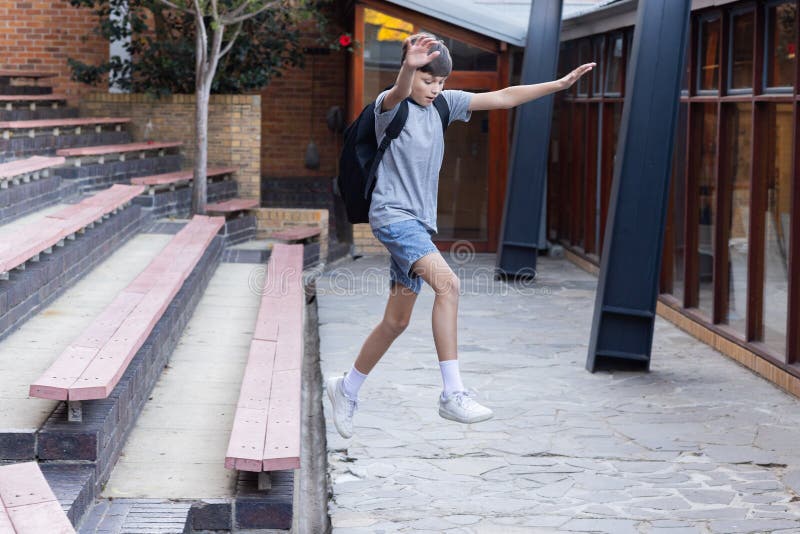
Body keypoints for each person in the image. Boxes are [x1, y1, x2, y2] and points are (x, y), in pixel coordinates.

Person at [327, 32, 595, 439]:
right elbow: (399, 90)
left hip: (417, 223)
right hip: (392, 216)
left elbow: (504, 97)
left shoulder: (444, 106)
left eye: (440, 83)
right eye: (427, 80)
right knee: (449, 285)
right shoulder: (389, 106)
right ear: (412, 72)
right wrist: (408, 68)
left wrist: (557, 85)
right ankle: (453, 393)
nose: (434, 90)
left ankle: (346, 389)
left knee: (396, 321)